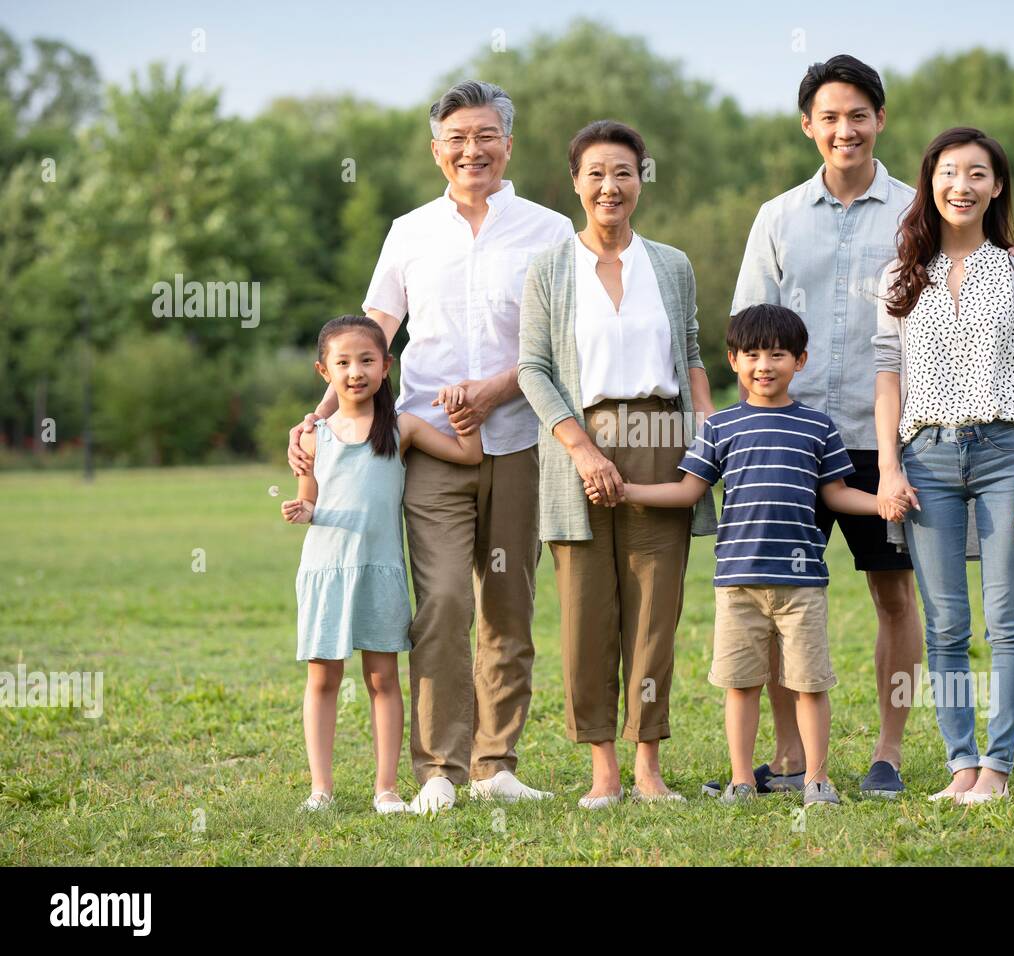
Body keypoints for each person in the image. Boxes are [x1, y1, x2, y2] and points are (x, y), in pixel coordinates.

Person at [723, 54, 1014, 799]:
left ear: (881, 120)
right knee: (778, 592)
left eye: (858, 116)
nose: (845, 130)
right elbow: (746, 326)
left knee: (896, 597)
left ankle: (889, 753)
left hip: (888, 444)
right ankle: (790, 751)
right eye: (829, 118)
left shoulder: (920, 209)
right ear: (808, 126)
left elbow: (978, 265)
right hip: (793, 437)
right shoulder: (776, 217)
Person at [288, 80, 572, 814]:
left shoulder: (547, 231)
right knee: (443, 601)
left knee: (508, 604)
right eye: (456, 139)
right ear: (435, 149)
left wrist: (494, 391)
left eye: (485, 136)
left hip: (517, 442)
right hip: (428, 448)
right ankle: (438, 768)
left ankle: (496, 763)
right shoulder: (410, 230)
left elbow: (560, 342)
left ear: (508, 144)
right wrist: (315, 420)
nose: (471, 150)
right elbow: (373, 331)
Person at [589, 304, 906, 807]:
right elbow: (688, 491)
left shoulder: (818, 428)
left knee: (809, 683)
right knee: (741, 685)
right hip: (736, 585)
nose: (765, 365)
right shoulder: (721, 429)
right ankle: (740, 779)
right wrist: (627, 490)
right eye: (752, 354)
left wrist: (883, 502)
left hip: (802, 588)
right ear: (733, 360)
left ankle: (816, 779)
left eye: (778, 354)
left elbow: (838, 495)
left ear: (800, 361)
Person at [517, 120, 717, 808]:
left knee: (655, 614)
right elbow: (533, 369)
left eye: (624, 172)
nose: (611, 186)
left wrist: (704, 428)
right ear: (575, 182)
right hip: (580, 443)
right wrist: (582, 449)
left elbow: (691, 351)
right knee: (586, 613)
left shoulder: (672, 264)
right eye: (596, 173)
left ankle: (648, 765)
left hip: (662, 439)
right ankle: (602, 769)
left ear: (642, 180)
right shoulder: (548, 268)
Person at [874, 127, 1014, 804]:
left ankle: (997, 770)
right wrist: (889, 468)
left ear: (997, 186)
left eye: (977, 173)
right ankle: (960, 766)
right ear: (929, 182)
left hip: (1005, 453)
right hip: (924, 459)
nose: (962, 185)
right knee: (946, 623)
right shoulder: (900, 277)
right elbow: (887, 379)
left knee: (1006, 620)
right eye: (949, 172)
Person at [282, 315, 482, 814]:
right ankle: (320, 788)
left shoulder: (402, 428)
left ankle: (386, 788)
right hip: (326, 571)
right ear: (323, 372)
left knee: (382, 680)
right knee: (323, 679)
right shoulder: (312, 437)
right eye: (343, 362)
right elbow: (310, 501)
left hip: (381, 572)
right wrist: (302, 509)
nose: (356, 371)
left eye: (367, 360)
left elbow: (468, 455)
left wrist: (467, 418)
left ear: (387, 365)